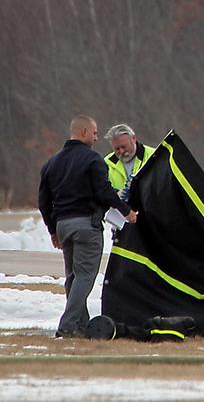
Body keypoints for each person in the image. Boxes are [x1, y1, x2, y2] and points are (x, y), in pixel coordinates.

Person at [37, 115, 138, 337]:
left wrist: (52, 229)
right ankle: (67, 326)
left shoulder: (51, 163)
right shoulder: (93, 160)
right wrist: (126, 211)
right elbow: (103, 192)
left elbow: (43, 201)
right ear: (83, 132)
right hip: (86, 226)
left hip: (63, 225)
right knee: (84, 276)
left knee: (72, 276)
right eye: (94, 132)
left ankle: (80, 326)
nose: (96, 137)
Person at [102, 123, 156, 202]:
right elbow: (101, 191)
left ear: (133, 138)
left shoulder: (153, 156)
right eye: (117, 149)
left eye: (124, 146)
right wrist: (115, 195)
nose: (121, 151)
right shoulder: (107, 163)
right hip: (121, 212)